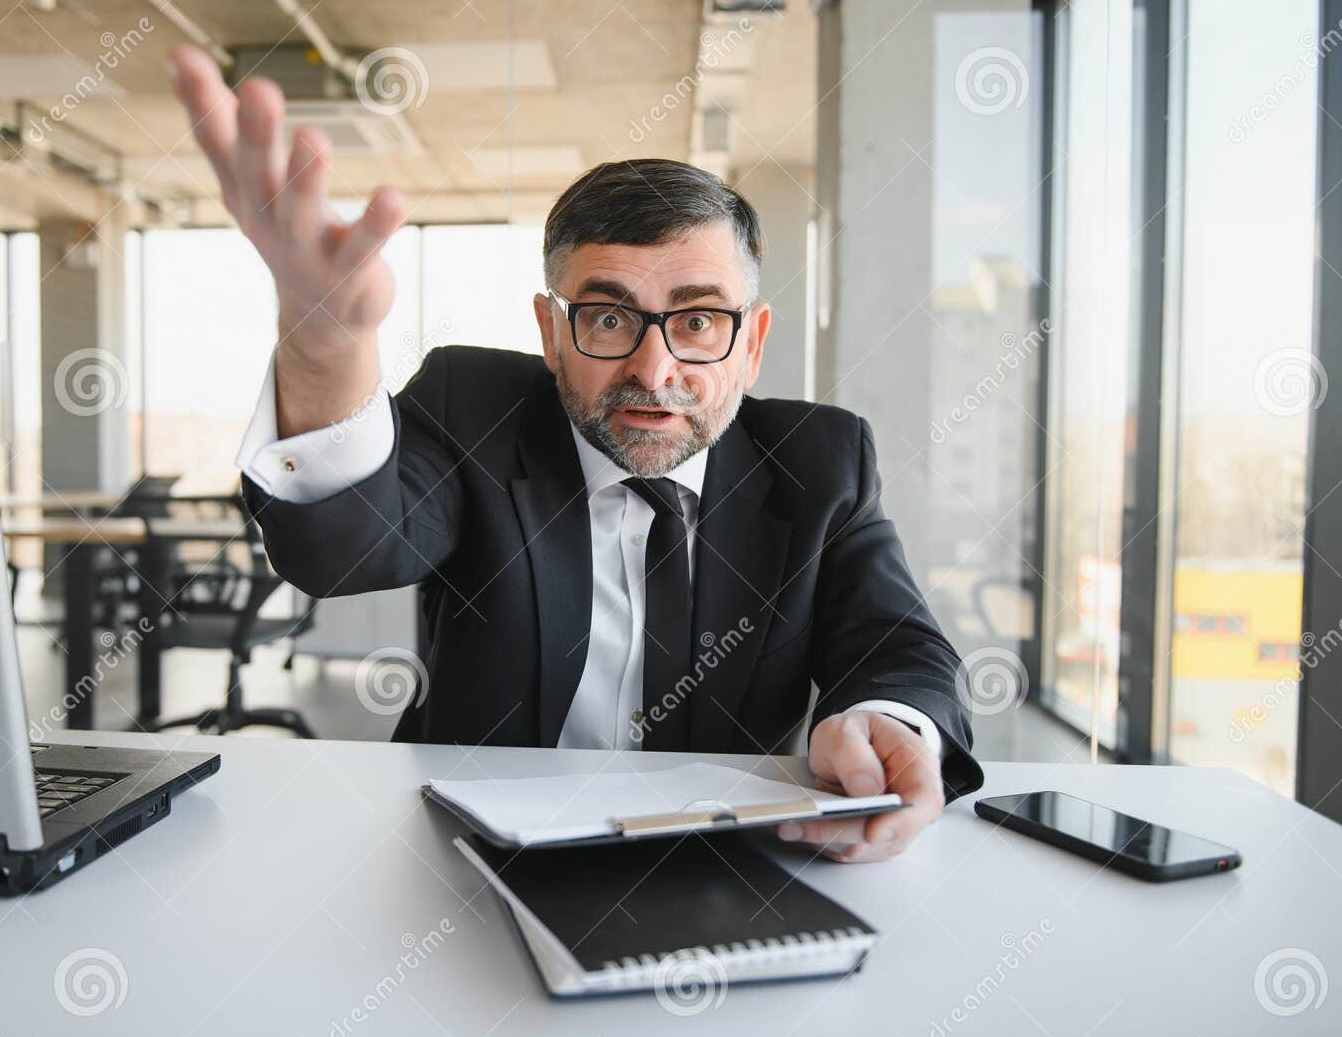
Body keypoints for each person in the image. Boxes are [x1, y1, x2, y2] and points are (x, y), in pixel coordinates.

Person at [168, 45, 983, 863]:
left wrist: (888, 720)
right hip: (472, 858)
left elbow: (898, 646)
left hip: (735, 860)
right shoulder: (475, 407)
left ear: (752, 343)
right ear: (552, 334)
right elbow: (342, 550)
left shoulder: (821, 461)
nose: (653, 370)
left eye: (698, 322)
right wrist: (323, 350)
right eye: (608, 317)